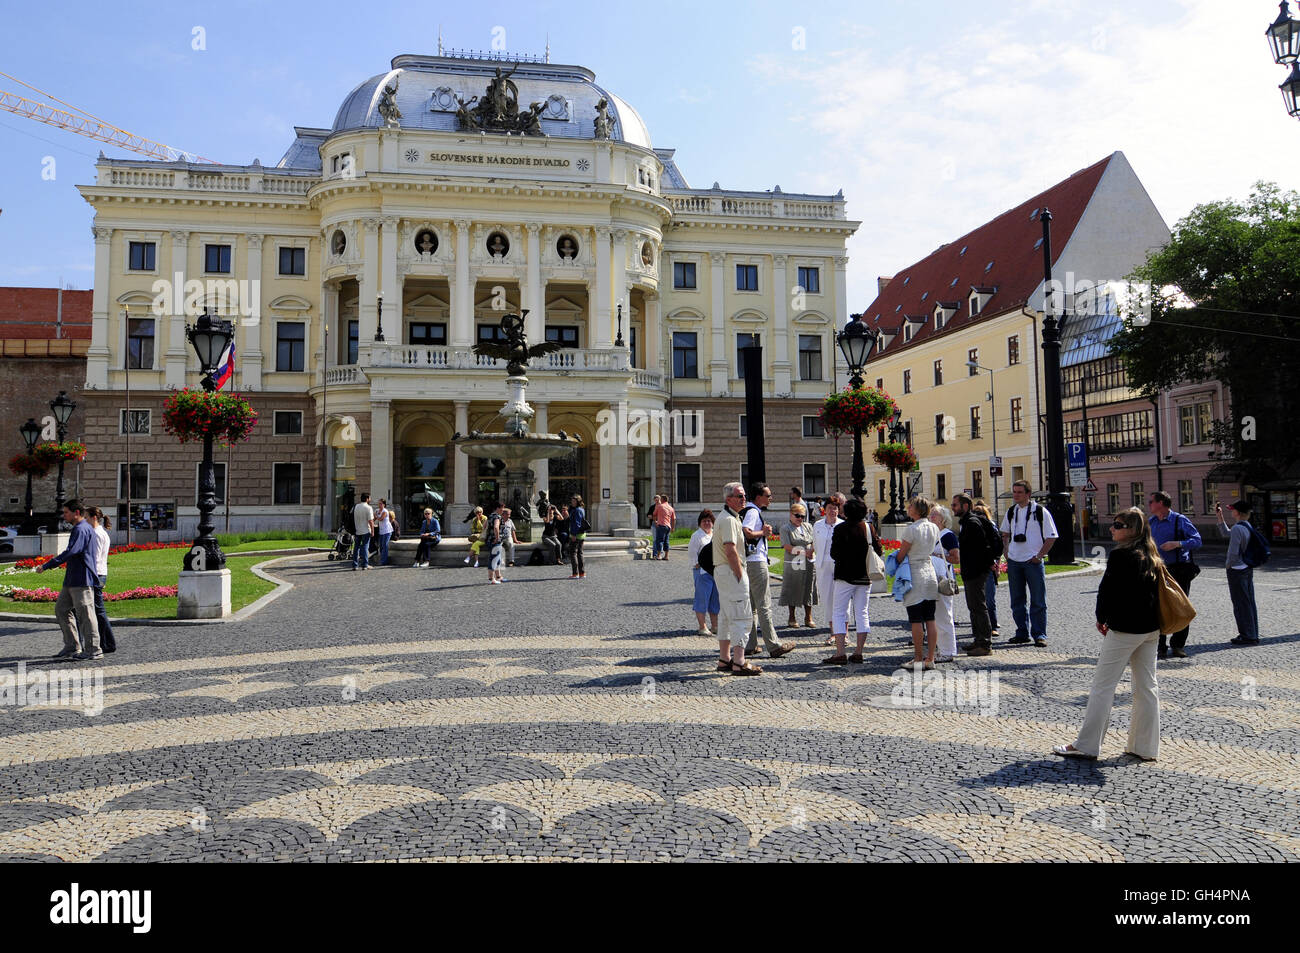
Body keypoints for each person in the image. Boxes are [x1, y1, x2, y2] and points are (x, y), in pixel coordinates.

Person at [1053, 507, 1161, 761]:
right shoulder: (1150, 553)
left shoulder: (1122, 555)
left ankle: (1087, 745)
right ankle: (1144, 747)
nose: (1112, 528)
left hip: (1125, 629)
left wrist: (1102, 618)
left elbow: (1108, 591)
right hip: (1151, 628)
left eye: (1118, 524)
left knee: (1103, 686)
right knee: (1147, 686)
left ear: (1132, 530)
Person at [34, 499, 102, 660]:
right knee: (61, 610)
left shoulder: (82, 529)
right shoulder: (80, 528)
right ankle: (72, 646)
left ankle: (93, 649)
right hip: (72, 578)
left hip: (82, 579)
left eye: (66, 512)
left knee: (86, 614)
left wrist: (47, 565)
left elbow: (71, 551)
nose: (64, 516)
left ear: (76, 513)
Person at [999, 480, 1058, 646]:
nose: (1015, 495)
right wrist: (1006, 551)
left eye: (1019, 492)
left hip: (1033, 561)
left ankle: (1040, 634)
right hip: (1015, 561)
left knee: (1038, 600)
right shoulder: (1011, 511)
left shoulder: (1040, 511)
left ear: (1028, 494)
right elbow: (1005, 533)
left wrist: (1040, 556)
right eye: (1014, 492)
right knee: (1017, 600)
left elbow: (1052, 536)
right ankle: (1021, 632)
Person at [742, 484, 797, 659]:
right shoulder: (752, 511)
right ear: (758, 497)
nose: (770, 498)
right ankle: (773, 645)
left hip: (748, 562)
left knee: (751, 606)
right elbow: (747, 531)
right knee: (763, 604)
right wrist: (763, 532)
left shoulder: (747, 510)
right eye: (768, 495)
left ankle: (750, 644)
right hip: (756, 562)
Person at [1147, 490, 1203, 659]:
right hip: (1158, 570)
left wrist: (1177, 544)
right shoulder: (1151, 522)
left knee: (1180, 606)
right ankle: (1160, 646)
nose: (1149, 504)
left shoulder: (1180, 520)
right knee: (1158, 607)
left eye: (1151, 501)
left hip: (1179, 569)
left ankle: (1178, 645)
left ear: (1161, 503)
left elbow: (1197, 540)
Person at [713, 483, 761, 675]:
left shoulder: (728, 517)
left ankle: (724, 658)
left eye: (744, 495)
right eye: (739, 496)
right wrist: (740, 574)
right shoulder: (730, 520)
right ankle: (739, 661)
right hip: (731, 571)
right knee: (742, 615)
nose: (744, 499)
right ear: (728, 499)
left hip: (722, 571)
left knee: (725, 615)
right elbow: (730, 548)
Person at [824, 497, 874, 664]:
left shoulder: (840, 529)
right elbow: (878, 549)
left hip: (844, 576)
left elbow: (833, 554)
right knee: (862, 613)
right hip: (864, 576)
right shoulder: (868, 528)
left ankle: (840, 652)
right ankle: (859, 651)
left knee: (839, 612)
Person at [895, 496, 941, 670]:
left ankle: (918, 657)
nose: (908, 507)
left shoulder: (911, 529)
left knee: (915, 618)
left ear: (918, 510)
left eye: (911, 505)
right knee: (930, 617)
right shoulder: (934, 528)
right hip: (929, 573)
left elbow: (902, 554)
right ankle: (930, 658)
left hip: (914, 573)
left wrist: (896, 560)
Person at [952, 494, 998, 656]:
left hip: (977, 571)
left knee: (979, 606)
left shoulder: (972, 523)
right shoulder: (967, 522)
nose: (953, 507)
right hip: (972, 570)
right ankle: (978, 640)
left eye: (955, 505)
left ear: (965, 506)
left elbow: (983, 547)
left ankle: (985, 644)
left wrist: (987, 564)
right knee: (973, 606)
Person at [1217, 499, 1261, 646]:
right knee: (1248, 602)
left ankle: (1247, 635)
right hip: (1247, 568)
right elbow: (1225, 533)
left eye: (1232, 509)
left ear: (1238, 512)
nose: (1231, 511)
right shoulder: (1246, 526)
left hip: (1237, 570)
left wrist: (1228, 566)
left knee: (1240, 604)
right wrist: (1220, 517)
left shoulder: (1237, 528)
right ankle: (1252, 633)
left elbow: (1233, 552)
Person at [928, 504, 961, 663]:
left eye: (934, 514)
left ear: (943, 518)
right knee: (933, 615)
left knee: (944, 615)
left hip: (942, 579)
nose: (931, 517)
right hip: (930, 578)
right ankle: (939, 648)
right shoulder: (930, 534)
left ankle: (948, 650)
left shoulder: (947, 535)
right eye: (930, 514)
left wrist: (940, 557)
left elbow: (956, 558)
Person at [779, 503, 817, 628]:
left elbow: (813, 541)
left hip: (809, 560)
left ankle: (808, 616)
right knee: (793, 587)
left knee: (809, 587)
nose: (800, 518)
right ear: (791, 514)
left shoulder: (808, 526)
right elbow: (787, 547)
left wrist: (811, 551)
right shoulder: (786, 528)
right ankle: (792, 617)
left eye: (802, 516)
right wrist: (804, 552)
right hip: (795, 561)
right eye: (797, 516)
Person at [812, 494, 843, 643]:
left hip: (839, 564)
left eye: (836, 508)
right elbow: (815, 544)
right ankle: (833, 633)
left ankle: (844, 633)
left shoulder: (842, 525)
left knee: (842, 598)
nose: (833, 511)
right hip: (823, 565)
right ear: (825, 510)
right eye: (831, 508)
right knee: (827, 599)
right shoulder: (817, 525)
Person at [86, 506, 117, 654]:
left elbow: (95, 557)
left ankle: (108, 642)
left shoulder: (97, 534)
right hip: (100, 573)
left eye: (86, 517)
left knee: (99, 610)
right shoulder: (102, 533)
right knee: (97, 610)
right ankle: (104, 642)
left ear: (93, 518)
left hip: (96, 574)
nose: (85, 520)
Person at [688, 510, 720, 636]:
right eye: (704, 521)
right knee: (702, 599)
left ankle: (715, 625)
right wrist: (697, 564)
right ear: (700, 523)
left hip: (715, 572)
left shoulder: (715, 535)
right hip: (702, 572)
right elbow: (692, 554)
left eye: (709, 521)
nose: (707, 523)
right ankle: (702, 626)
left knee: (715, 600)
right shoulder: (697, 536)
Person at [973, 500, 1001, 638]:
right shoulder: (970, 527)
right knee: (976, 600)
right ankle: (979, 628)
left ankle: (993, 626)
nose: (978, 516)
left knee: (989, 599)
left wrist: (997, 565)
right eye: (975, 513)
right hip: (975, 568)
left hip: (988, 568)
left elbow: (998, 548)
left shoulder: (991, 528)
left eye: (980, 513)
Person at [351, 492, 375, 570]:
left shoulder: (356, 506)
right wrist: (372, 531)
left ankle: (355, 565)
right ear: (367, 499)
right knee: (365, 547)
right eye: (370, 498)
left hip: (357, 530)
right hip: (366, 530)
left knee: (356, 547)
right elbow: (371, 521)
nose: (370, 499)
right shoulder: (368, 508)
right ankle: (365, 565)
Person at [485, 502, 506, 584]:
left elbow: (484, 526)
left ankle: (498, 577)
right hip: (495, 541)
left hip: (490, 539)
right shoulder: (497, 517)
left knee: (497, 559)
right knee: (494, 560)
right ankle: (491, 579)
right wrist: (497, 538)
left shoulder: (490, 516)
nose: (503, 510)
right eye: (502, 508)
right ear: (497, 508)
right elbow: (496, 527)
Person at [568, 495, 588, 579]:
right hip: (582, 534)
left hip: (576, 534)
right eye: (572, 501)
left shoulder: (576, 510)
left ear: (578, 502)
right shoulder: (581, 509)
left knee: (573, 553)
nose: (572, 502)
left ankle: (575, 573)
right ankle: (582, 573)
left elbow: (576, 524)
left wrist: (573, 534)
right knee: (580, 553)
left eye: (574, 501)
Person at [651, 494, 676, 561]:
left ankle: (658, 555)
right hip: (668, 527)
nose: (659, 500)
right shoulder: (671, 508)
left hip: (661, 525)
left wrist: (655, 521)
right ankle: (666, 556)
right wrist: (673, 528)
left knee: (659, 540)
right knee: (666, 541)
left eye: (660, 499)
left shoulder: (660, 506)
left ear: (662, 499)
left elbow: (654, 514)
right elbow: (673, 519)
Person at [375, 499, 395, 566]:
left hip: (387, 530)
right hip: (381, 531)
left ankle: (384, 561)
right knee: (381, 546)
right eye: (379, 503)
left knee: (385, 545)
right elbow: (374, 518)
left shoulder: (385, 511)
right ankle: (382, 559)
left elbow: (381, 519)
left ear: (384, 504)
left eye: (380, 503)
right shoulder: (377, 510)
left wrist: (376, 516)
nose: (379, 505)